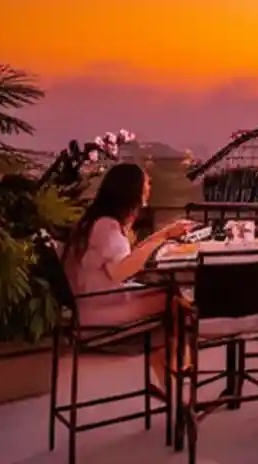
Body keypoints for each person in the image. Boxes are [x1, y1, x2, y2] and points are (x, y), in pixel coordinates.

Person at [62, 164, 193, 392]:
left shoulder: (98, 222)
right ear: (131, 190)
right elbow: (122, 271)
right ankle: (181, 367)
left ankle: (173, 385)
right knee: (174, 299)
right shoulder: (106, 227)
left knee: (167, 305)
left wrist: (164, 234)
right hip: (99, 312)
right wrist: (162, 240)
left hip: (93, 304)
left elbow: (126, 259)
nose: (149, 188)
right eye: (146, 184)